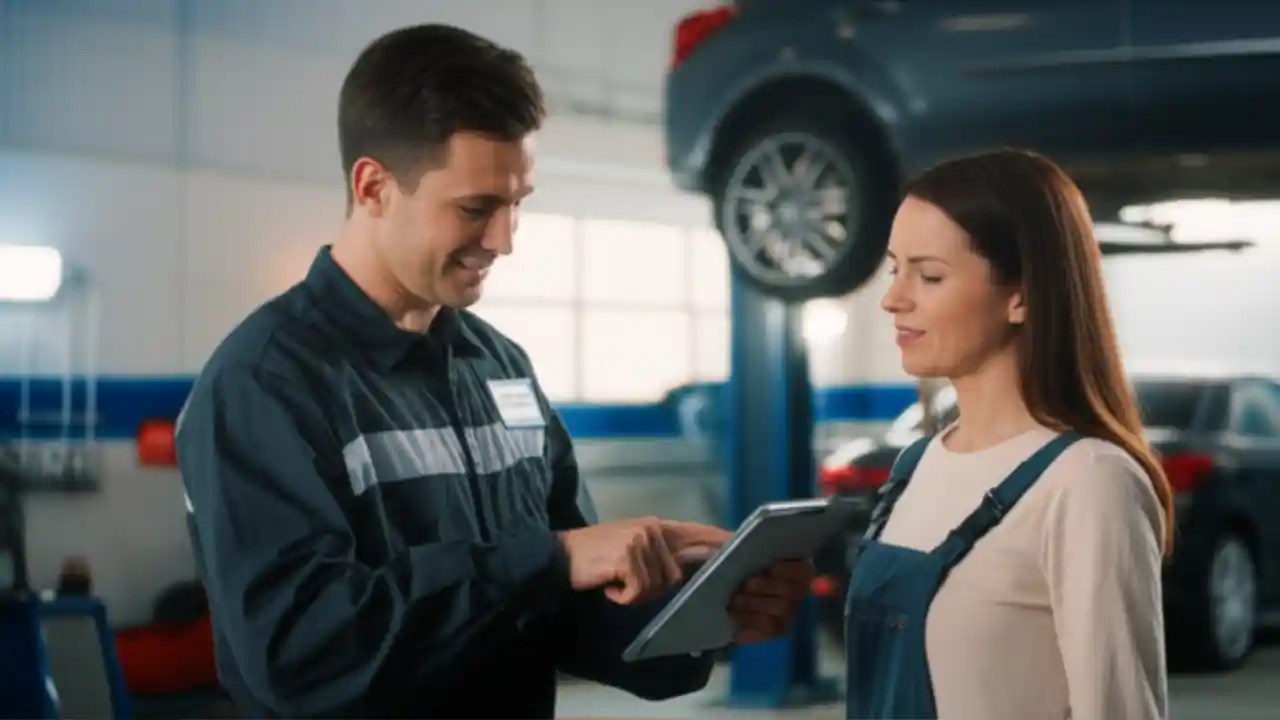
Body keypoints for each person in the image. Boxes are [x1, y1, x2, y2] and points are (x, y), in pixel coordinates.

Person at [175, 24, 812, 719]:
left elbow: (556, 613)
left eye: (516, 203)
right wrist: (551, 560)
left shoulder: (499, 367)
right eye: (475, 209)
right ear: (374, 186)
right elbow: (299, 656)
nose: (505, 240)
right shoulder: (266, 384)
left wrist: (699, 617)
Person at [845, 148, 1171, 719]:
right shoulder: (915, 466)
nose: (894, 298)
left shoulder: (1087, 482)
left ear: (1021, 295)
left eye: (929, 275)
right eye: (895, 268)